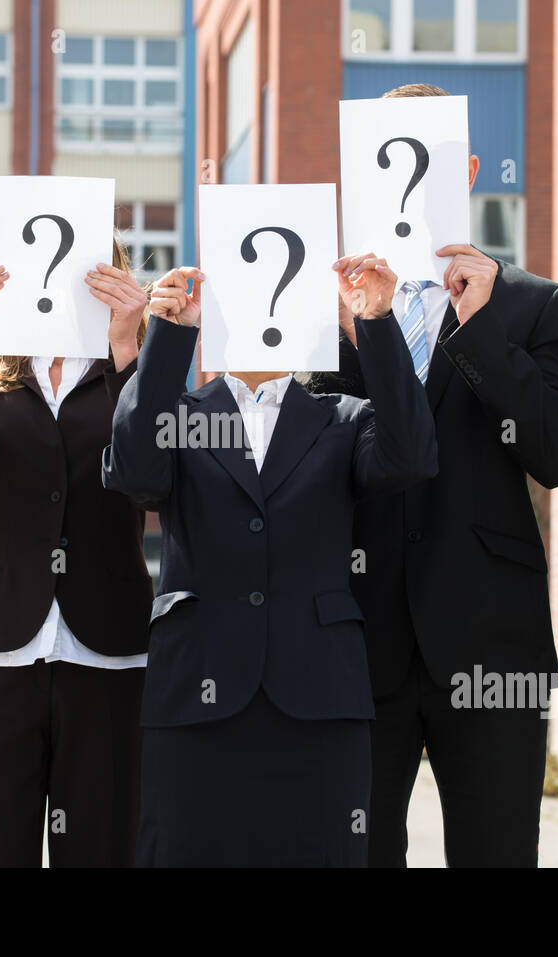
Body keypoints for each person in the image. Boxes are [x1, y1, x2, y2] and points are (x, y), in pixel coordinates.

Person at [305, 83, 558, 867]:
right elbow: (313, 471)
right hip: (361, 640)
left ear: (466, 168)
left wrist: (483, 331)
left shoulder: (535, 304)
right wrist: (361, 337)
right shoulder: (322, 317)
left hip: (492, 644)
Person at [103, 254, 437, 866]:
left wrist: (376, 324)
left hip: (316, 697)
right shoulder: (180, 416)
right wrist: (172, 335)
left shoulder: (342, 417)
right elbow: (132, 470)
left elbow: (411, 455)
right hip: (197, 693)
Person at [0, 239, 152, 867]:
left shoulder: (136, 365)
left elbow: (154, 480)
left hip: (105, 644)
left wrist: (128, 352)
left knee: (102, 845)